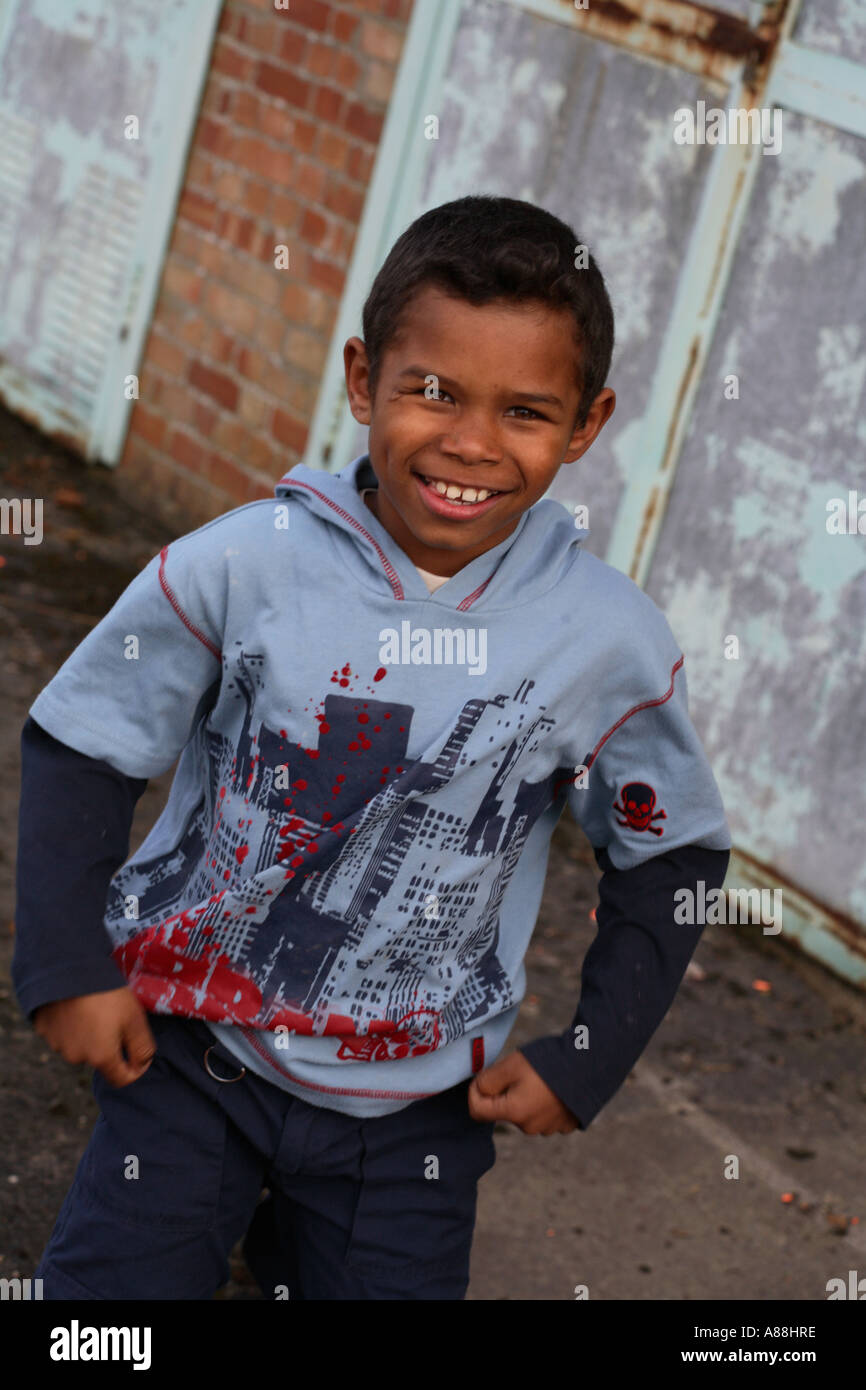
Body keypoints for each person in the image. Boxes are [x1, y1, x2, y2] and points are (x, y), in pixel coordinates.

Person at [13, 195, 731, 1300]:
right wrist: (66, 960)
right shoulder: (240, 564)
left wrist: (589, 1053)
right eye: (432, 391)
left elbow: (673, 853)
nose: (470, 443)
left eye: (525, 412)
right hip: (194, 1060)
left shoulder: (609, 641)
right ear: (362, 380)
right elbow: (85, 741)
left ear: (586, 425)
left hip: (412, 1124)